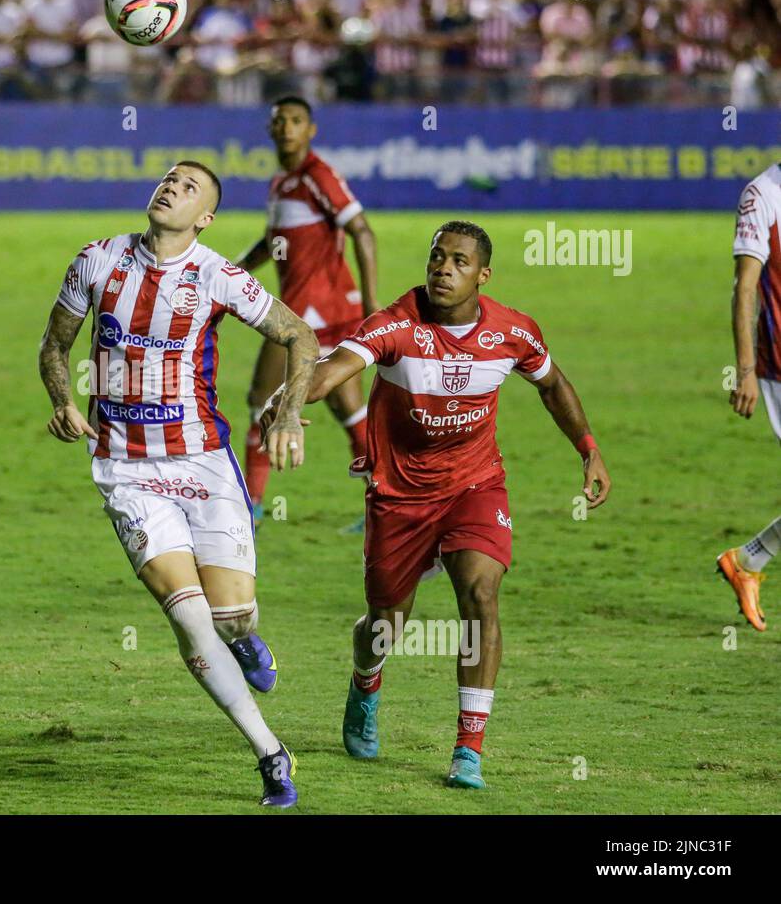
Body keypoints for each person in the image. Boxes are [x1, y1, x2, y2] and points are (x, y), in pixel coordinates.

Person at [260, 220, 611, 788]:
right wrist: (287, 405)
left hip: (475, 486)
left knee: (481, 593)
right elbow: (330, 370)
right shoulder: (397, 324)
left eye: (459, 261)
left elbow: (553, 385)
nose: (444, 268)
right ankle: (366, 681)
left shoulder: (511, 333)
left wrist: (588, 449)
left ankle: (468, 749)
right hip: (398, 496)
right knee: (385, 623)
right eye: (437, 257)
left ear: (482, 274)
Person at [38, 161, 318, 808]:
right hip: (126, 469)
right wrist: (61, 401)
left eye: (189, 187)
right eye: (168, 179)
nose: (171, 188)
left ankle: (246, 638)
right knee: (191, 624)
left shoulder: (217, 275)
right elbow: (55, 346)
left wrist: (284, 409)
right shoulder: (97, 260)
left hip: (203, 465)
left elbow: (299, 334)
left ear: (206, 218)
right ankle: (270, 754)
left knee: (230, 616)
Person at [236, 95, 378, 525]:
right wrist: (228, 272)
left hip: (306, 316)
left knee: (262, 399)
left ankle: (251, 508)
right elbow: (271, 242)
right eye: (279, 120)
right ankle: (384, 508)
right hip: (324, 313)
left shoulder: (318, 175)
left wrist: (374, 305)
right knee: (349, 410)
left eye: (296, 121)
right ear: (270, 129)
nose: (287, 128)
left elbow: (363, 232)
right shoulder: (282, 181)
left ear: (311, 130)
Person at [717, 162, 781, 632]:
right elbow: (745, 288)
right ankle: (749, 559)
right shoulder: (763, 195)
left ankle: (748, 559)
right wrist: (745, 371)